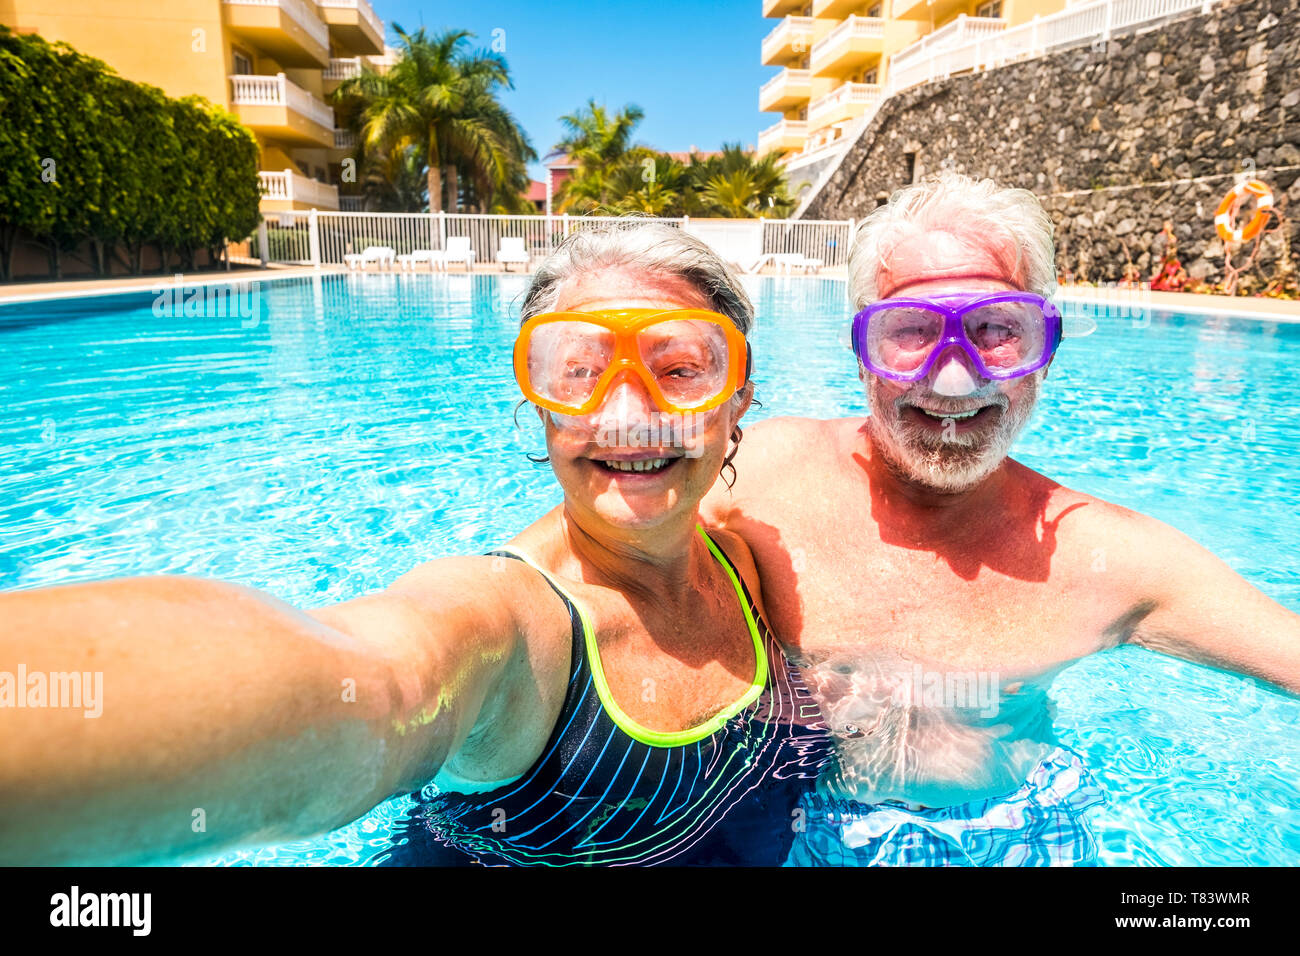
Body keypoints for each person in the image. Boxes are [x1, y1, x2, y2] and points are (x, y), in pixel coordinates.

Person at [0, 223, 836, 867]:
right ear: (541, 409)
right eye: (577, 371)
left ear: (739, 401)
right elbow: (384, 680)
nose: (627, 415)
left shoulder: (746, 557)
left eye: (681, 368)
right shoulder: (516, 624)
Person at [702, 172, 1300, 866]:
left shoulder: (1104, 555)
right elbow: (568, 571)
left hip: (1015, 830)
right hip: (801, 820)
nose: (954, 380)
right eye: (911, 331)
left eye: (994, 329)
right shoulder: (760, 482)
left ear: (1048, 345)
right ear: (860, 348)